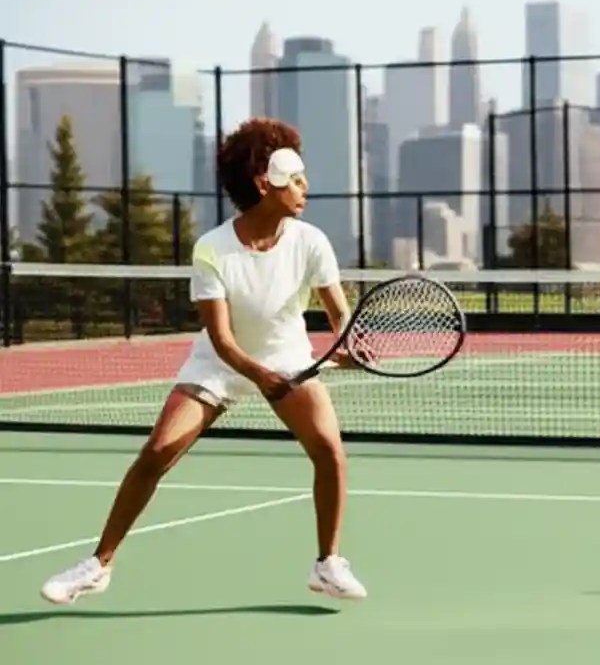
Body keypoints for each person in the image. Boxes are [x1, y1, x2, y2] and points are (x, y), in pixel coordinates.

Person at [39, 118, 368, 604]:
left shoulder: (310, 241)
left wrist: (346, 341)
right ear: (264, 183)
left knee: (330, 453)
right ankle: (98, 564)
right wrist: (260, 375)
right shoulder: (213, 248)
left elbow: (341, 313)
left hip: (288, 356)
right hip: (219, 363)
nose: (305, 187)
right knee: (156, 453)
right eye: (295, 178)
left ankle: (328, 564)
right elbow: (222, 337)